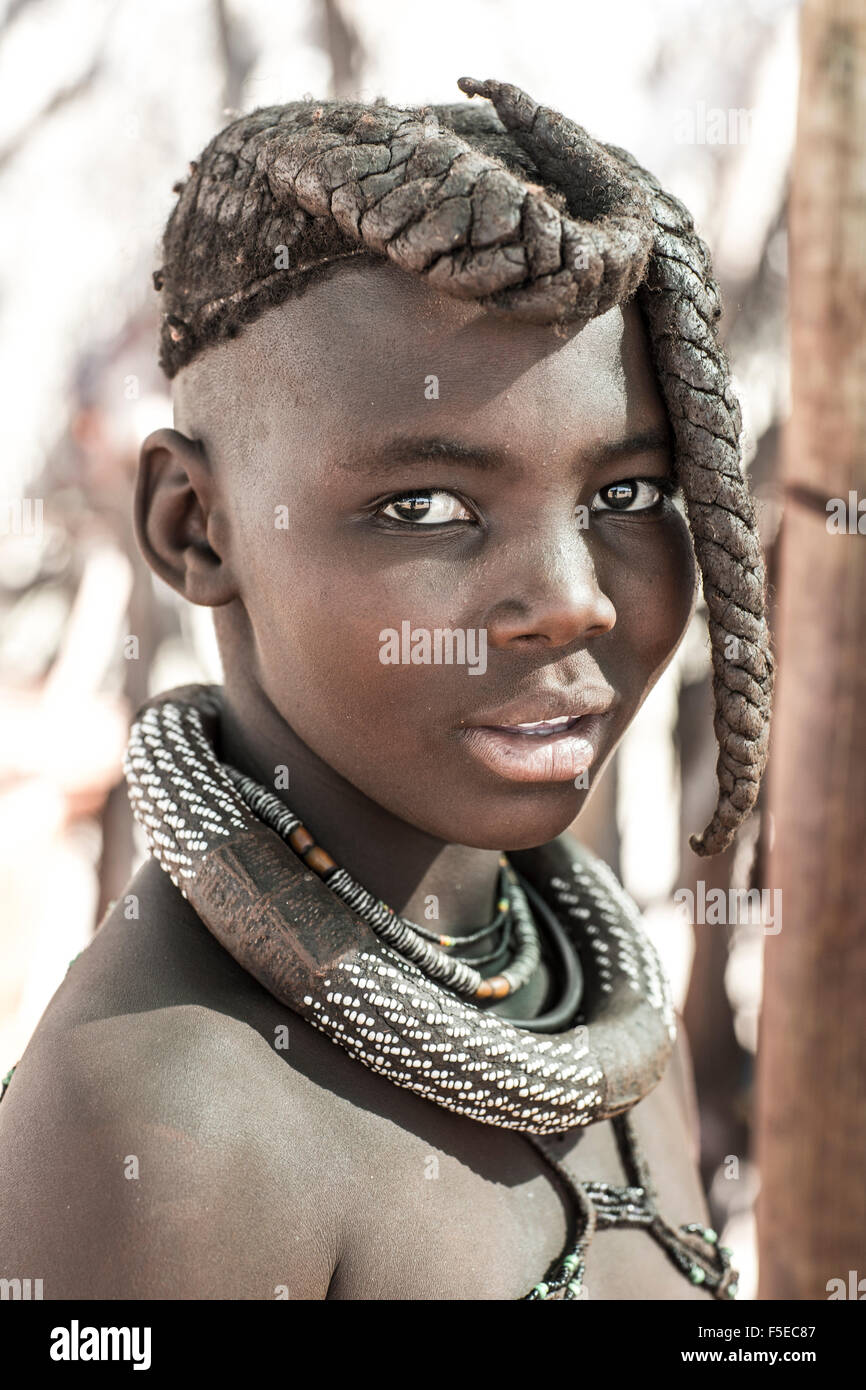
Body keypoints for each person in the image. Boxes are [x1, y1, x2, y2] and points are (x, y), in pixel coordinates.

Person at [0, 75, 773, 1300]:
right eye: (424, 507)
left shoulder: (595, 1011)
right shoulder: (178, 1121)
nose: (570, 599)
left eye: (625, 495)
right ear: (195, 527)